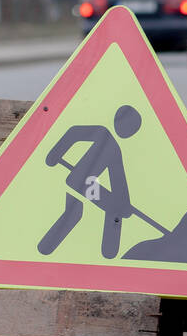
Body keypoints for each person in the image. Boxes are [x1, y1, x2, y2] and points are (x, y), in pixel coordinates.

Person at [39, 105, 141, 259]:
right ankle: (44, 250)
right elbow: (73, 133)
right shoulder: (102, 134)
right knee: (75, 214)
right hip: (79, 181)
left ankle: (109, 249)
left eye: (132, 129)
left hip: (88, 185)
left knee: (107, 208)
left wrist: (124, 203)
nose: (129, 132)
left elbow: (118, 180)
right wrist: (54, 154)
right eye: (130, 127)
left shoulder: (115, 150)